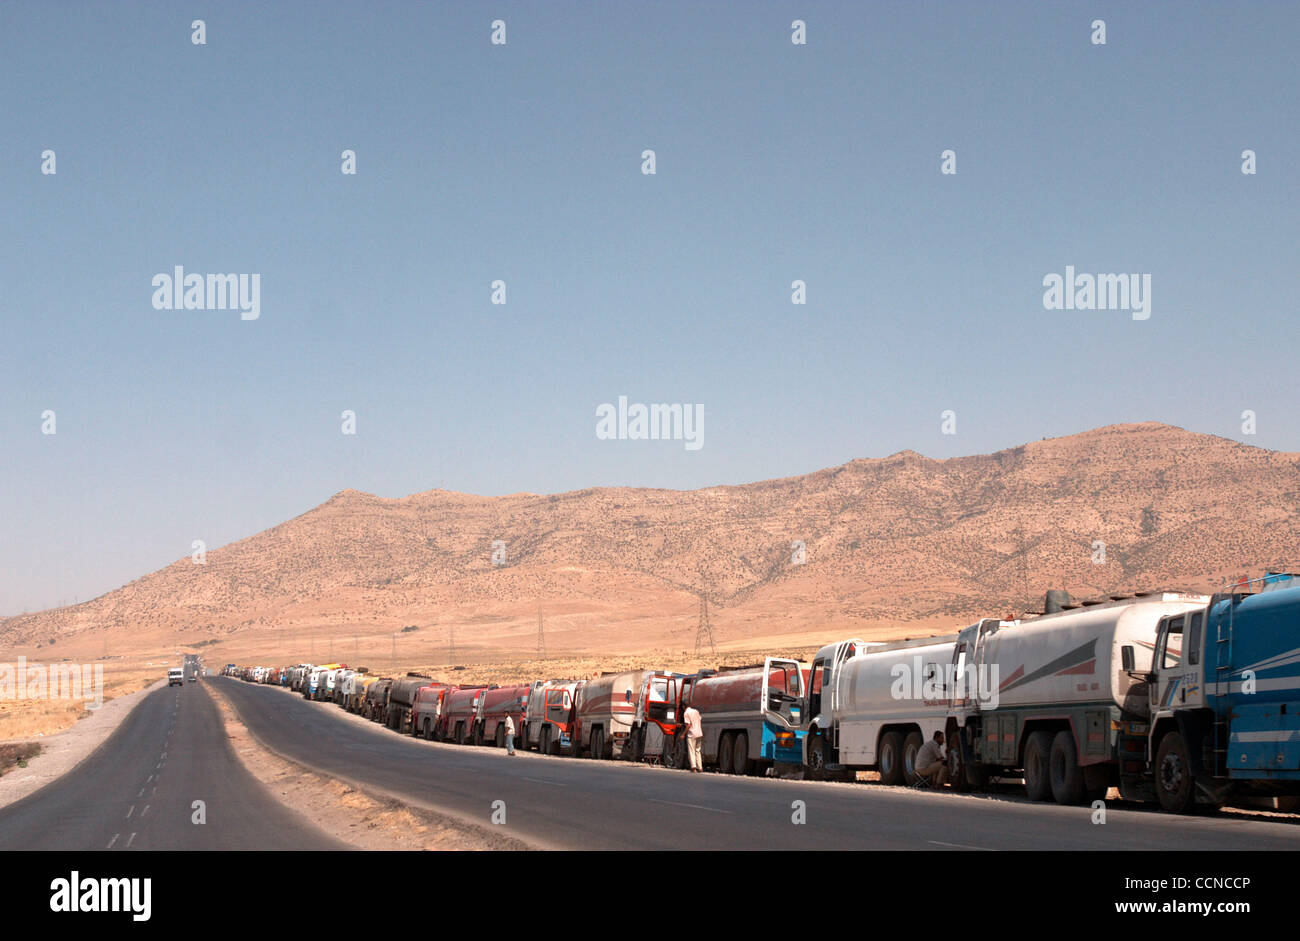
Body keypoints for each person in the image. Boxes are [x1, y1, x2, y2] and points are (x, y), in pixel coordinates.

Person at [683, 702, 703, 772]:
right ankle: (700, 767)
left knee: (691, 750)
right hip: (699, 733)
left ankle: (693, 767)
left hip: (691, 734)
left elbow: (688, 725)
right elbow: (699, 719)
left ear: (683, 706)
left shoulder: (686, 713)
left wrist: (683, 734)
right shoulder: (696, 711)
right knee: (698, 750)